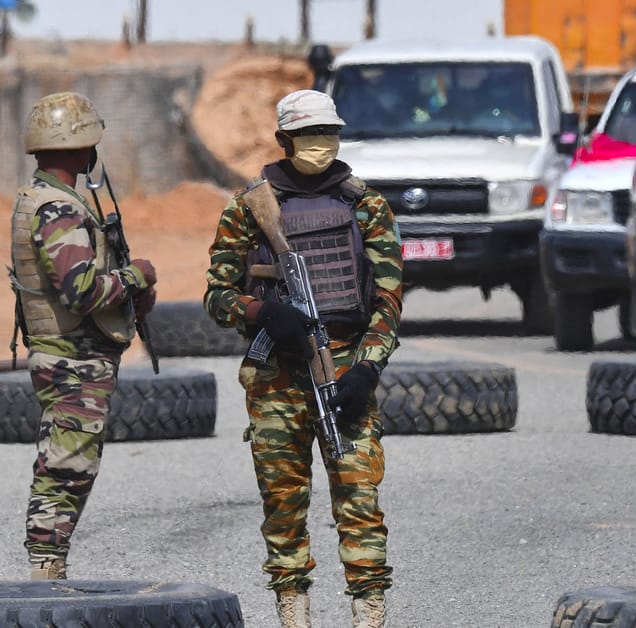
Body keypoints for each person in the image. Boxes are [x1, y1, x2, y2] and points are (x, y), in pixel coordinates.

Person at [204, 89, 403, 628]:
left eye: (328, 134)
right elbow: (216, 295)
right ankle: (293, 609)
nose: (321, 145)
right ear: (284, 141)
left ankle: (369, 609)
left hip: (344, 366)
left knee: (359, 493)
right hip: (276, 376)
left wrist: (367, 367)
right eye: (310, 135)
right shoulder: (248, 209)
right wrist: (261, 313)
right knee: (283, 503)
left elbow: (387, 301)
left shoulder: (366, 207)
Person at [8, 91, 157, 580]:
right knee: (65, 471)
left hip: (71, 357)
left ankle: (49, 567)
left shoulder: (50, 199)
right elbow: (81, 291)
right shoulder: (58, 208)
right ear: (80, 147)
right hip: (72, 361)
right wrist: (136, 275)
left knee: (70, 468)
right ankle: (45, 574)